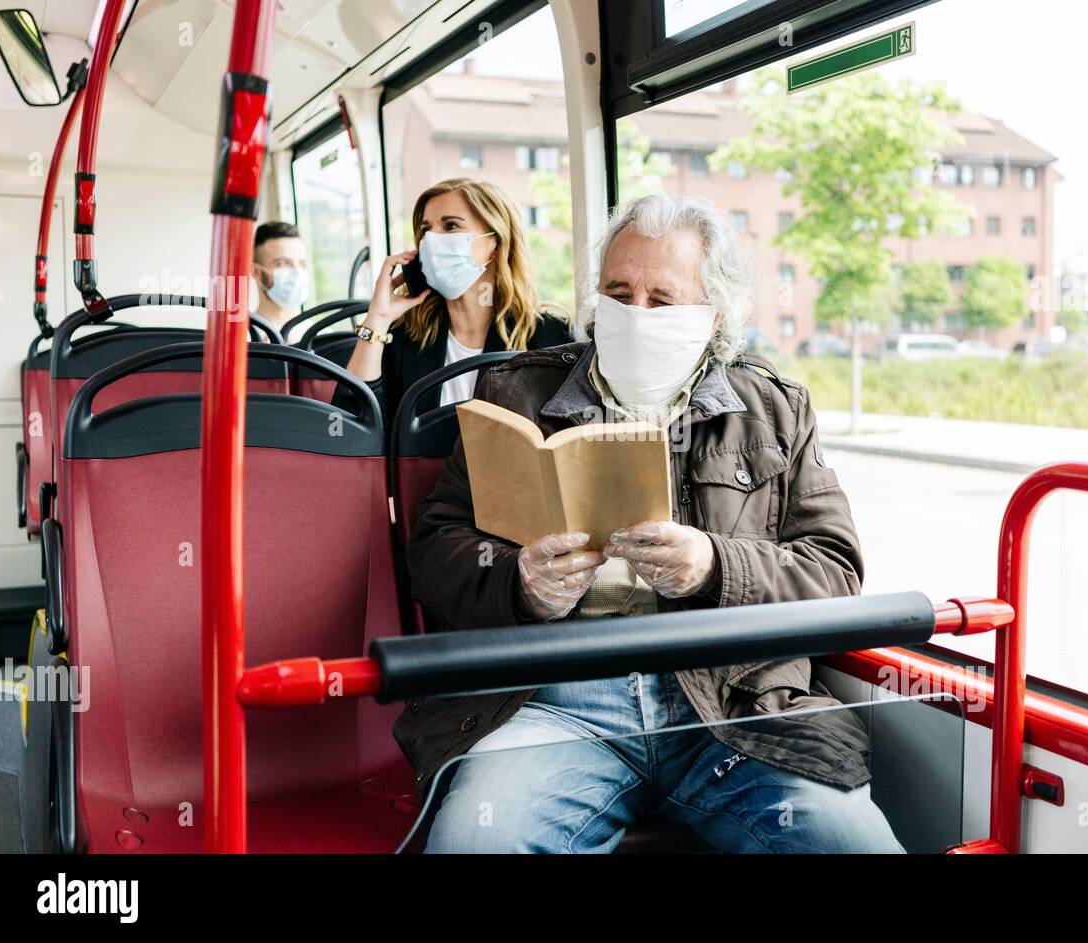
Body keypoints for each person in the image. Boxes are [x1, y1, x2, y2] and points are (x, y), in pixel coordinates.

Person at [400, 193, 905, 854]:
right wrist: (518, 583)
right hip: (555, 703)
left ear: (713, 314)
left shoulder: (774, 411)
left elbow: (835, 571)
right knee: (473, 843)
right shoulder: (513, 394)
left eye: (662, 300)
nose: (635, 315)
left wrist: (715, 565)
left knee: (850, 840)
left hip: (734, 704)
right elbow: (436, 549)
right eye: (617, 292)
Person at [339, 178, 571, 441]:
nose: (432, 240)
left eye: (451, 226)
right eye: (426, 230)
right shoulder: (405, 336)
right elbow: (349, 428)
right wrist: (378, 320)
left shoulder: (550, 338)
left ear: (495, 241)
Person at [251, 221, 310, 332]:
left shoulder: (323, 335)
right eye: (283, 264)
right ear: (256, 272)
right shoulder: (242, 340)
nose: (297, 273)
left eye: (302, 264)